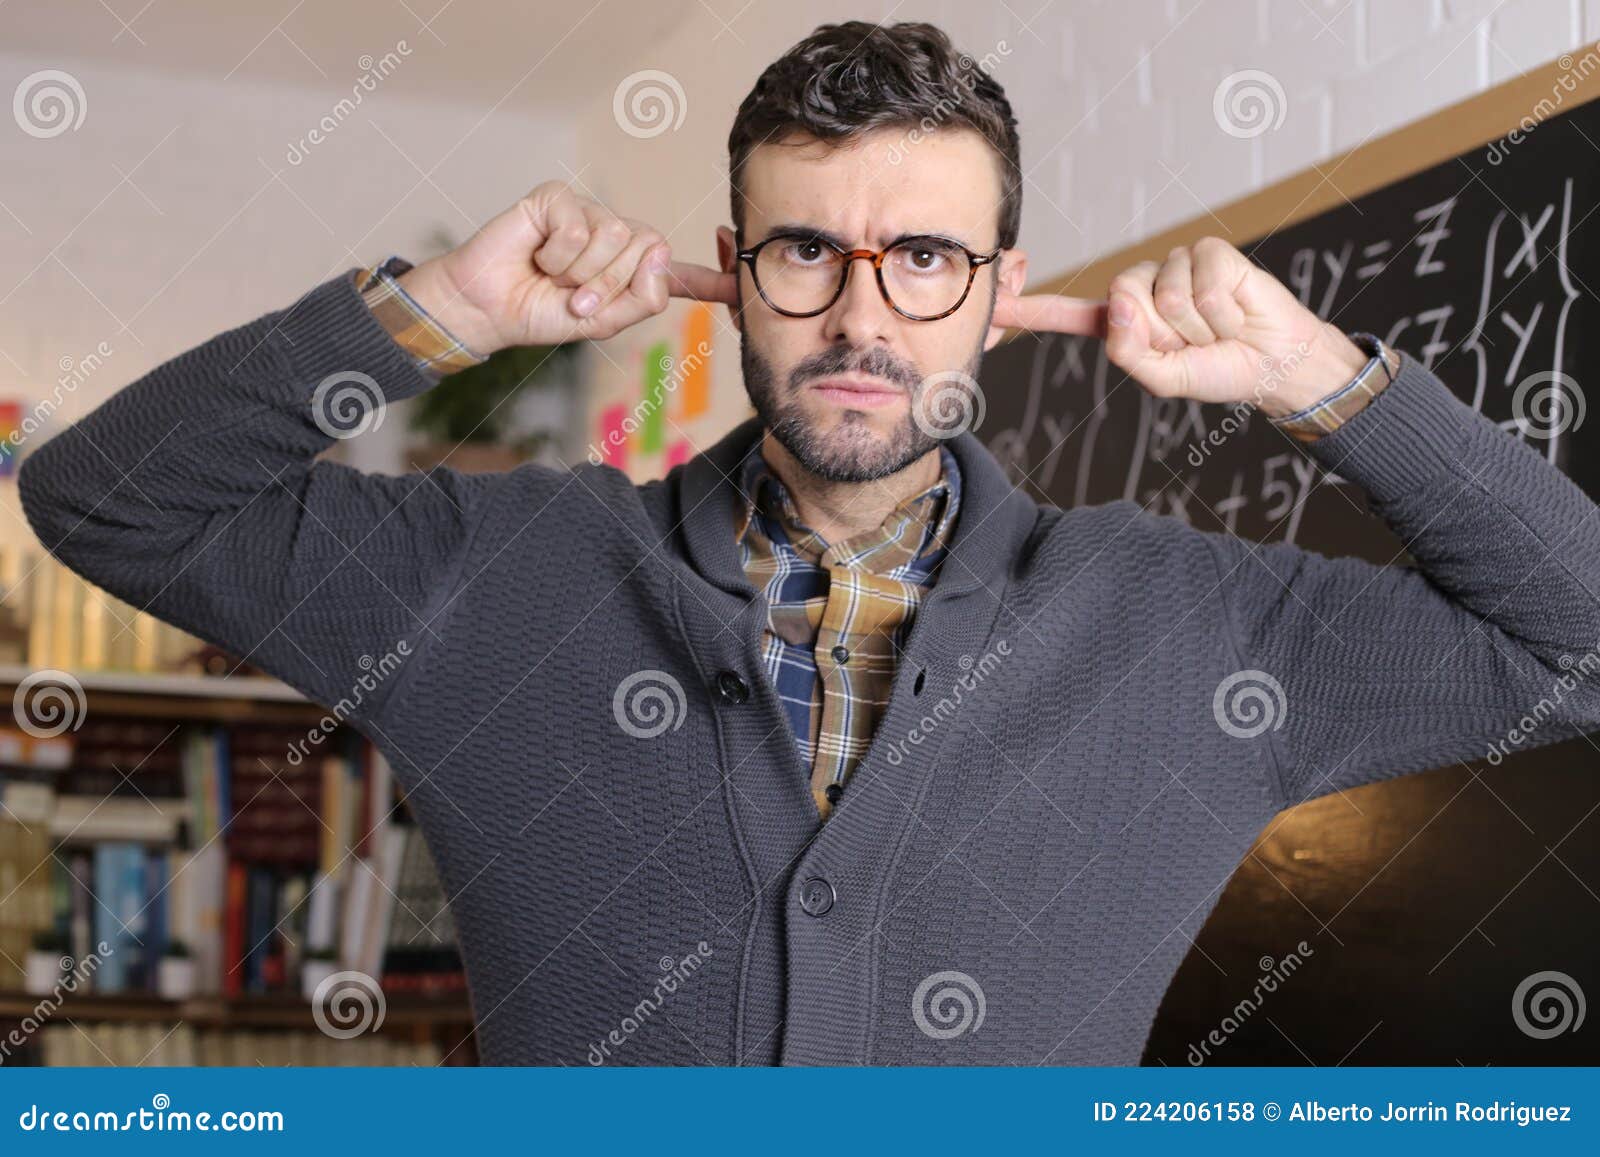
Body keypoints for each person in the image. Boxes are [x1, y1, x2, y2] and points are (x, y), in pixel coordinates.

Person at [19, 21, 1600, 1066]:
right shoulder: (487, 576)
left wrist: (1329, 385)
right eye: (805, 252)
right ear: (732, 268)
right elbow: (104, 498)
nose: (859, 317)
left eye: (923, 257)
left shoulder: (1200, 626)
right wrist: (435, 315)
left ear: (999, 285)